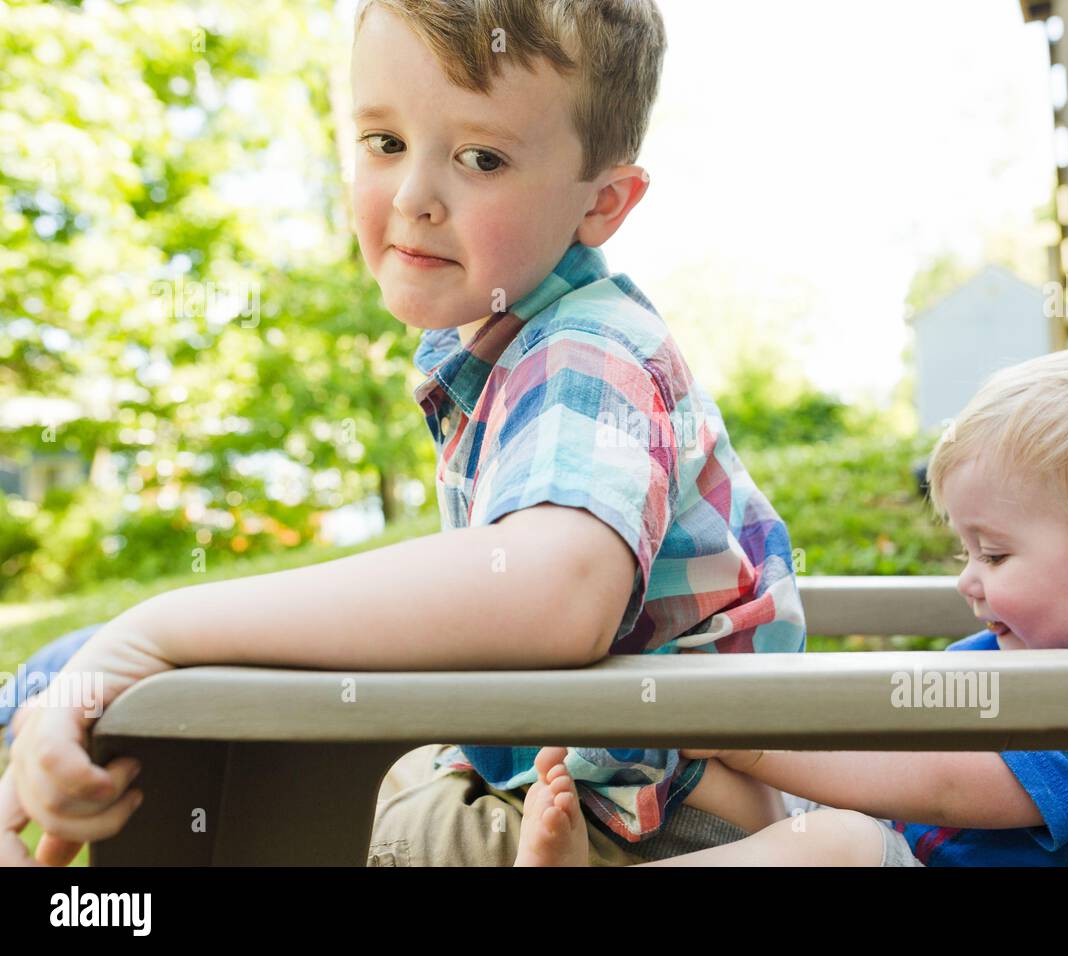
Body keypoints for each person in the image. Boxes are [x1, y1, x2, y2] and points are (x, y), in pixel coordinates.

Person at [0, 0, 807, 868]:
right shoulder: (510, 346)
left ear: (602, 203)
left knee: (405, 813)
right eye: (384, 143)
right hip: (592, 797)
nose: (416, 197)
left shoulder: (588, 350)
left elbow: (552, 592)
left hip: (666, 825)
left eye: (481, 157)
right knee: (59, 666)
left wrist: (159, 629)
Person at [513, 330, 1068, 866]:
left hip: (897, 852)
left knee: (835, 848)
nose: (967, 579)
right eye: (966, 550)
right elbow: (904, 731)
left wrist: (750, 739)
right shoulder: (1035, 651)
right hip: (906, 845)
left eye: (996, 552)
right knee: (760, 797)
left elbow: (947, 782)